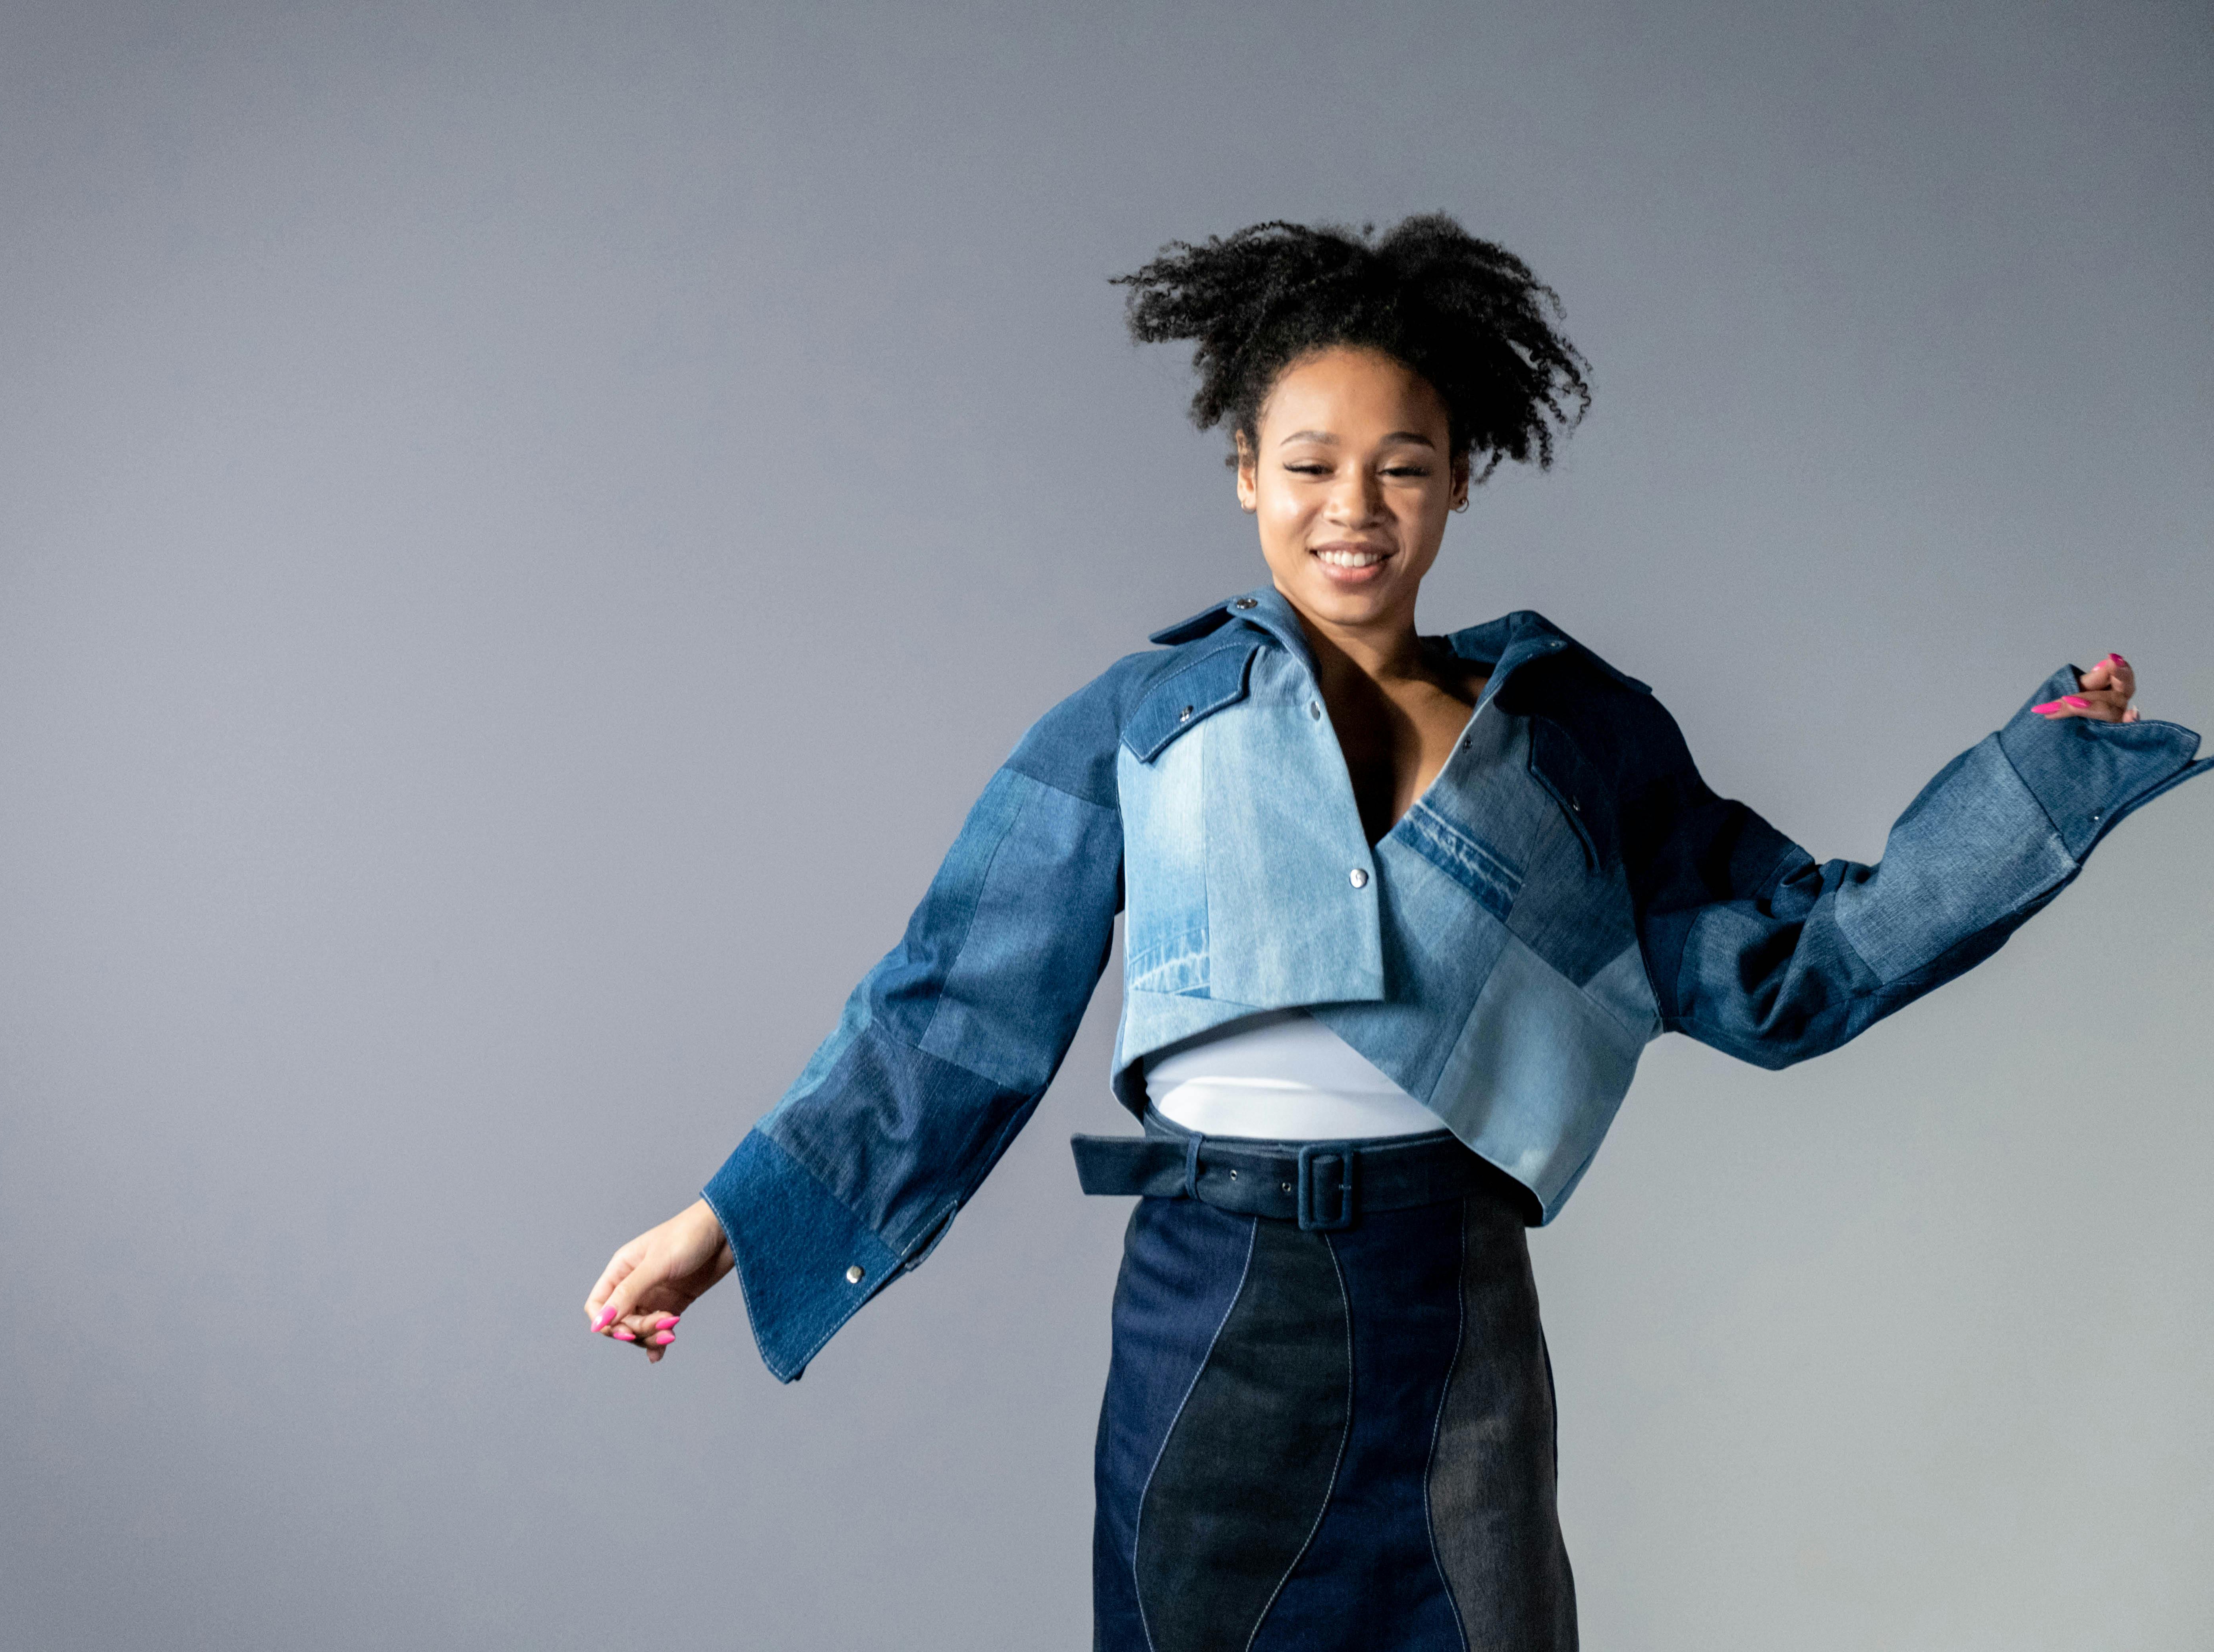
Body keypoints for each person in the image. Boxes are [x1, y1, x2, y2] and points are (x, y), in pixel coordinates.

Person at [581, 215, 2208, 1651]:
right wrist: (725, 1221)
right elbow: (951, 1014)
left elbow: (1794, 966)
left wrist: (2040, 767)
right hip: (1204, 1316)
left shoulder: (1571, 739)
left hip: (1454, 1316)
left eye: (1403, 464)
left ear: (1461, 473)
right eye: (1307, 463)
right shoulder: (1140, 724)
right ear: (1243, 467)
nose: (1354, 509)